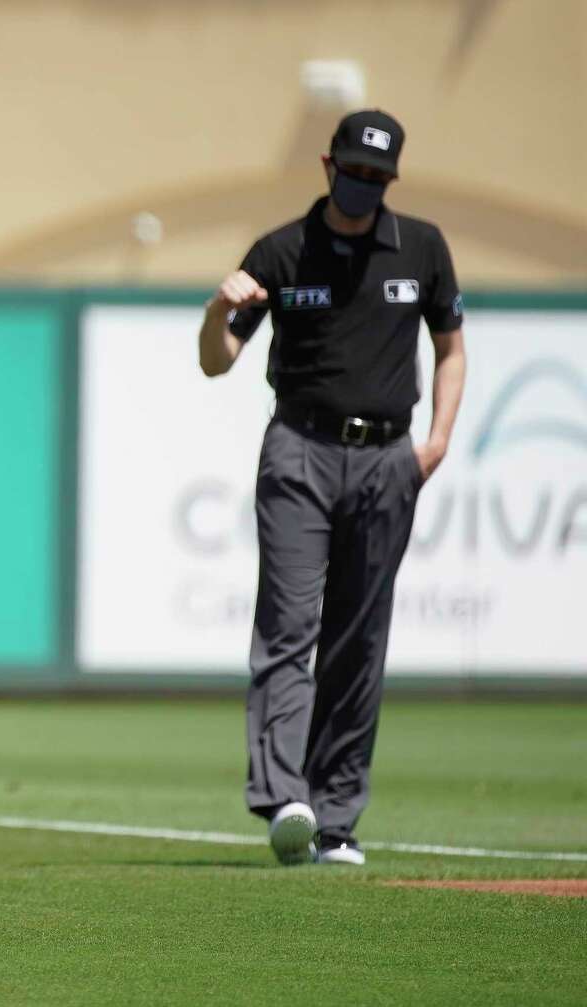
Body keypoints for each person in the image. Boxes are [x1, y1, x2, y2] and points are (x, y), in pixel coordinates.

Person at [197, 109, 466, 867]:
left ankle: (337, 818)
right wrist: (220, 307)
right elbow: (217, 359)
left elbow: (450, 348)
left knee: (359, 641)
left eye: (379, 176)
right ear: (328, 164)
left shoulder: (423, 248)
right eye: (355, 171)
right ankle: (288, 798)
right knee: (288, 625)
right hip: (300, 449)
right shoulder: (282, 250)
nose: (365, 185)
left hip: (388, 457)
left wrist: (436, 441)